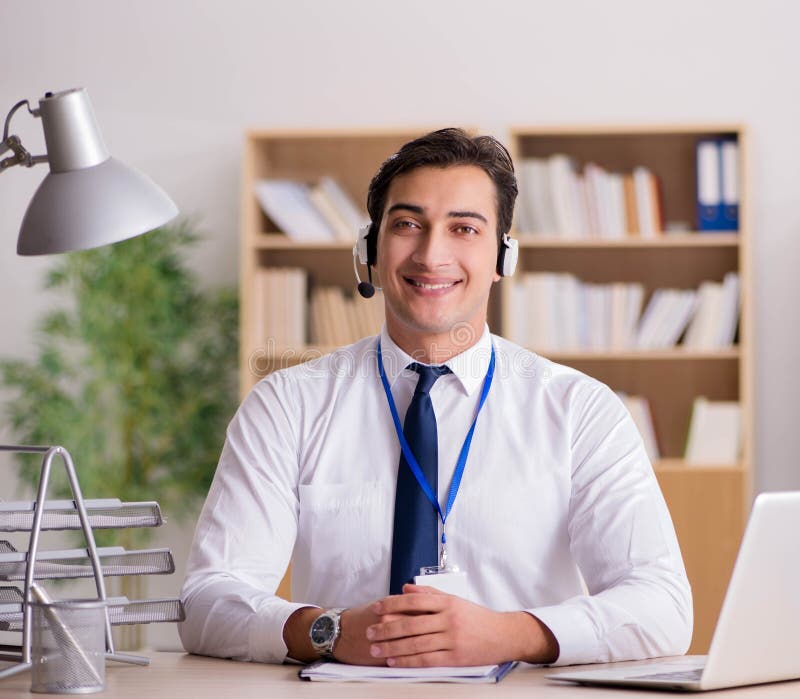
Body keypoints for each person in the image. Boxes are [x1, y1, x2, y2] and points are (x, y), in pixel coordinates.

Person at [179, 128, 692, 668]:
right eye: (406, 224)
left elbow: (663, 606)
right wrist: (327, 630)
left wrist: (512, 634)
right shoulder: (287, 405)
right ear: (370, 249)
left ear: (503, 257)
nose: (432, 254)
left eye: (464, 228)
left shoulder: (581, 411)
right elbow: (207, 601)